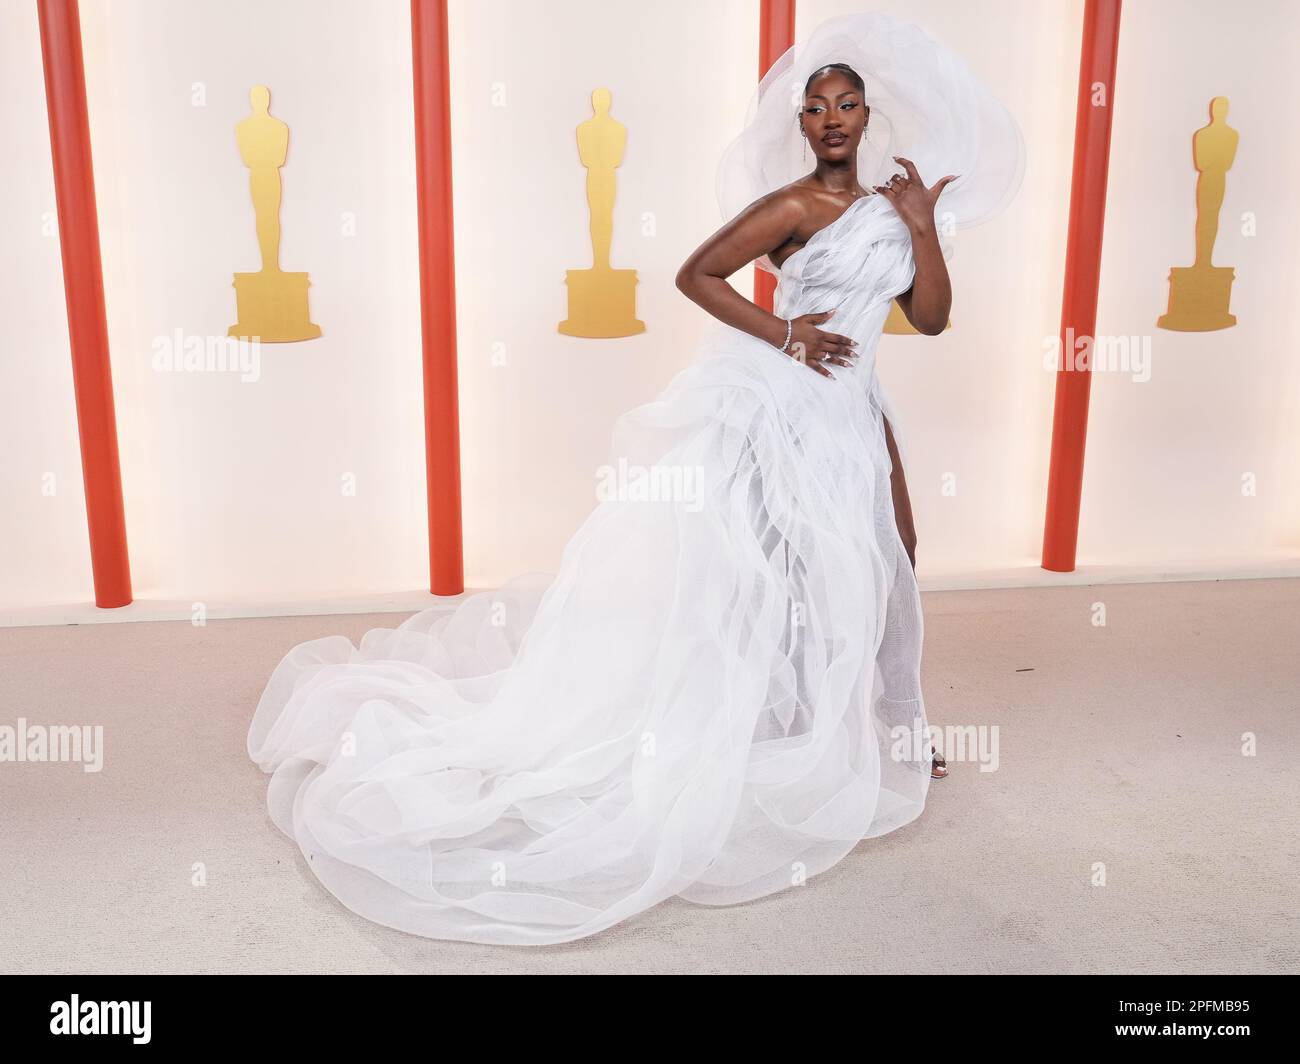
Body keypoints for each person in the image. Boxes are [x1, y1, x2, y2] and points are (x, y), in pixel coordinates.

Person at [247, 10, 1024, 946]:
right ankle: (806, 732)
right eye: (815, 106)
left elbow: (932, 320)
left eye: (847, 105)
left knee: (892, 547)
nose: (830, 119)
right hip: (785, 401)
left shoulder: (892, 211)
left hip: (859, 405)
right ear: (801, 121)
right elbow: (697, 273)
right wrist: (787, 332)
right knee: (779, 564)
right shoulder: (790, 207)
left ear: (868, 117)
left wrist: (924, 226)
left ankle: (886, 726)